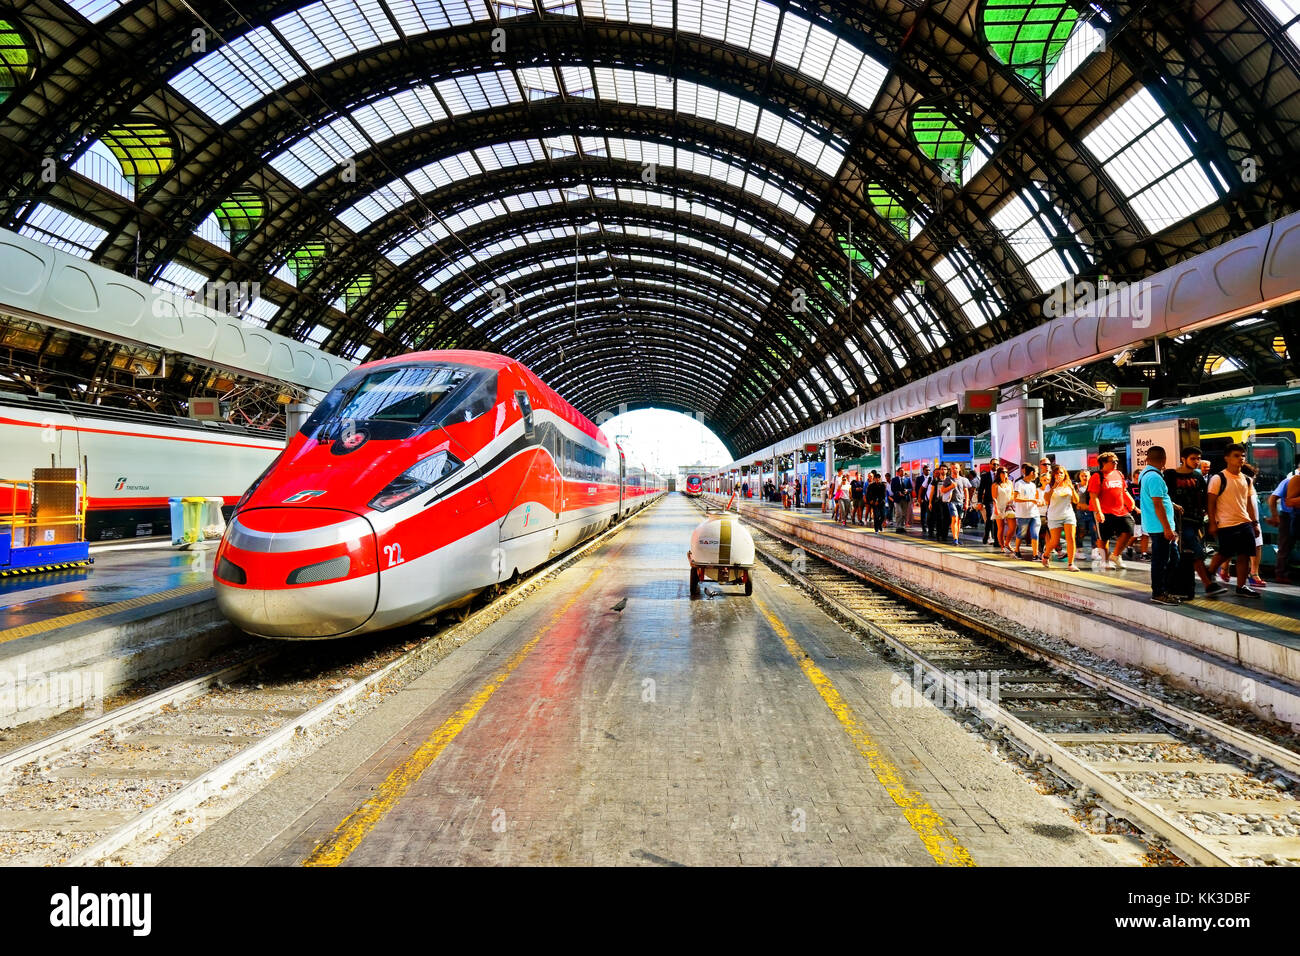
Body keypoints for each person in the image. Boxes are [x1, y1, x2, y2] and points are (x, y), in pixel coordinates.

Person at [1165, 446, 1225, 600]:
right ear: (1183, 459)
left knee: (1194, 555)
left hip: (1196, 522)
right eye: (1193, 458)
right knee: (1198, 553)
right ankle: (1208, 584)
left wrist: (1209, 518)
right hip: (1179, 522)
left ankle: (1207, 585)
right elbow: (1163, 497)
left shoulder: (1198, 477)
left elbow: (1205, 498)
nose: (1197, 461)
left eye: (1198, 458)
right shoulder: (1171, 475)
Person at [1206, 444, 1262, 597]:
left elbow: (1249, 503)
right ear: (1227, 458)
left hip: (1245, 523)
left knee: (1245, 555)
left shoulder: (1247, 480)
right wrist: (1212, 523)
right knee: (1225, 552)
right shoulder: (1219, 478)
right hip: (1226, 523)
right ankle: (1209, 572)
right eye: (1237, 455)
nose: (1241, 458)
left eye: (1243, 456)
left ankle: (1241, 586)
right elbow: (1211, 502)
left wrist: (1254, 523)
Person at [1139, 446, 1182, 604]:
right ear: (1164, 460)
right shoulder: (1155, 478)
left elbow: (1159, 498)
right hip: (1160, 527)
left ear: (1147, 459)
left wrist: (1173, 504)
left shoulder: (1145, 474)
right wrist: (1167, 528)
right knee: (1161, 561)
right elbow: (1158, 504)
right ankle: (1159, 592)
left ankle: (1165, 589)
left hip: (1156, 525)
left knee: (1172, 558)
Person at [1089, 452, 1135, 570]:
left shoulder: (1119, 473)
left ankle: (1115, 555)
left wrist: (1131, 502)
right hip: (1104, 511)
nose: (1116, 463)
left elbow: (1123, 490)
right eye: (1113, 461)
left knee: (1129, 529)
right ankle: (1104, 561)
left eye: (1116, 461)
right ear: (1104, 463)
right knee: (1103, 538)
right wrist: (1099, 512)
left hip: (1120, 510)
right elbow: (1094, 496)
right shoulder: (1097, 476)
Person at [1265, 460, 1299, 584]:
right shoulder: (1288, 481)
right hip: (1288, 516)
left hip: (1295, 516)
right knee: (1285, 545)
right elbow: (1273, 498)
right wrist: (1275, 516)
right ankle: (1280, 573)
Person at [1042, 465, 1081, 571]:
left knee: (1071, 539)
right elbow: (1046, 499)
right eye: (1057, 473)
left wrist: (1072, 489)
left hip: (1068, 515)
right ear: (1053, 474)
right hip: (1054, 516)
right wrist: (1054, 487)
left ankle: (1070, 564)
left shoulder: (1069, 485)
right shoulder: (1049, 486)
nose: (1059, 475)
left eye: (1061, 473)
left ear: (1065, 474)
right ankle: (1045, 555)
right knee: (1054, 541)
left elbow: (1076, 501)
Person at [1241, 464, 1268, 589]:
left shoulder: (1248, 484)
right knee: (1251, 547)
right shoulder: (1245, 482)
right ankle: (1252, 574)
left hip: (1252, 521)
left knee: (1256, 545)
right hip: (1246, 521)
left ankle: (1253, 574)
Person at [1012, 463, 1041, 560]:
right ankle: (1016, 550)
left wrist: (1038, 502)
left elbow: (1034, 498)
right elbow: (1015, 499)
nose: (1038, 475)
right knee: (1021, 534)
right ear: (1032, 473)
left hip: (1034, 513)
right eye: (1037, 473)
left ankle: (1035, 554)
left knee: (1035, 533)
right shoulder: (1019, 484)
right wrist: (1030, 500)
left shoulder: (1033, 485)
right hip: (1023, 514)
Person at [991, 467, 1014, 552]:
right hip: (999, 506)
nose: (1005, 474)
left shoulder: (1010, 483)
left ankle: (1007, 542)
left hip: (1009, 507)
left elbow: (1012, 493)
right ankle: (1002, 546)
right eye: (1003, 472)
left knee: (1012, 527)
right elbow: (994, 497)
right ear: (999, 474)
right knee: (1001, 527)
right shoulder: (995, 485)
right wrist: (996, 508)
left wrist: (1011, 500)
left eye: (1006, 472)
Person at [1075, 469, 1097, 554]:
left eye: (1086, 475)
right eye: (1082, 475)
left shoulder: (1093, 486)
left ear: (1090, 476)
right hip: (1080, 512)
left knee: (1094, 531)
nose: (1084, 477)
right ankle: (1079, 550)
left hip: (1092, 512)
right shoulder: (1076, 486)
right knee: (1081, 531)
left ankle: (1094, 551)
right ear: (1079, 477)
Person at [917, 465, 931, 537]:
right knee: (923, 513)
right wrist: (919, 498)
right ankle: (924, 527)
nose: (928, 471)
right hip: (923, 499)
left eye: (929, 470)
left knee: (930, 513)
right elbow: (918, 489)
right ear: (923, 471)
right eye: (926, 470)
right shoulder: (919, 478)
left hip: (930, 499)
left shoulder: (932, 478)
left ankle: (930, 526)